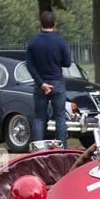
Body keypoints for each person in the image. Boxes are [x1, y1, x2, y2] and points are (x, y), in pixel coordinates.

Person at [26, 10, 72, 147]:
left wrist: (41, 83)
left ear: (40, 23)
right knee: (60, 117)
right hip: (57, 82)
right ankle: (62, 148)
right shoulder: (60, 41)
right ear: (55, 23)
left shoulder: (33, 42)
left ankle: (38, 149)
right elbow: (67, 63)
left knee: (39, 118)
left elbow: (30, 65)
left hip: (40, 85)